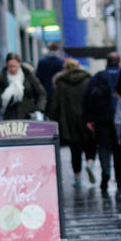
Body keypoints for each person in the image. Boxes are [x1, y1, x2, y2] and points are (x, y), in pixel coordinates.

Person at [48, 56, 95, 185]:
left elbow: (55, 105)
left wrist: (51, 118)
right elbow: (93, 99)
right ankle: (90, 163)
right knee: (89, 144)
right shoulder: (87, 80)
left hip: (68, 122)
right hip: (86, 119)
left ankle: (78, 178)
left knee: (75, 150)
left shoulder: (61, 83)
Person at [83, 55, 121, 194]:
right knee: (119, 150)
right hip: (120, 120)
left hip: (101, 120)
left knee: (104, 149)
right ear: (119, 62)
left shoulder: (98, 77)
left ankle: (105, 173)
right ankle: (120, 179)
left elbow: (87, 98)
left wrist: (89, 119)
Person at [0, 53, 47, 120]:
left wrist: (39, 109)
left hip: (28, 116)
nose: (13, 69)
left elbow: (41, 93)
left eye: (14, 66)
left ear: (19, 64)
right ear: (6, 65)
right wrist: (1, 99)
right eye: (10, 66)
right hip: (9, 118)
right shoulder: (1, 79)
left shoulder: (28, 76)